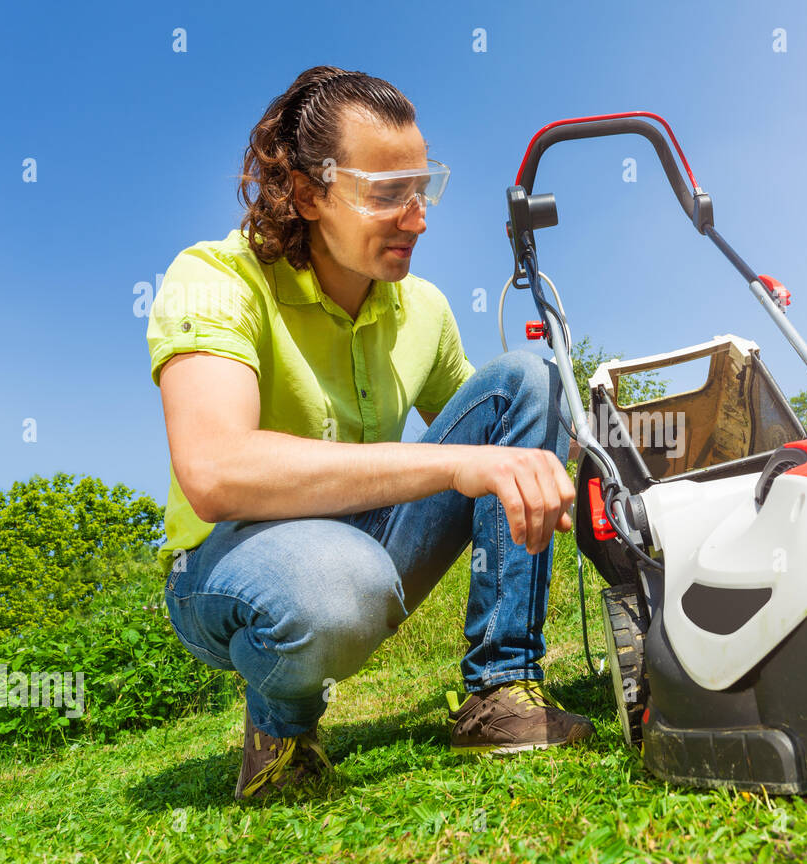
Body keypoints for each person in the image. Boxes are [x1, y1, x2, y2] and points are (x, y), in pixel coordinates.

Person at [145, 65, 594, 801]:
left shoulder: (422, 308)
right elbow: (216, 470)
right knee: (335, 581)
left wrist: (577, 464)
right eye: (388, 196)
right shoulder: (212, 278)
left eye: (422, 190)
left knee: (532, 380)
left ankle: (501, 691)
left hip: (366, 541)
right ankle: (283, 734)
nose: (417, 219)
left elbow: (511, 431)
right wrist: (454, 468)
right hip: (224, 568)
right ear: (309, 191)